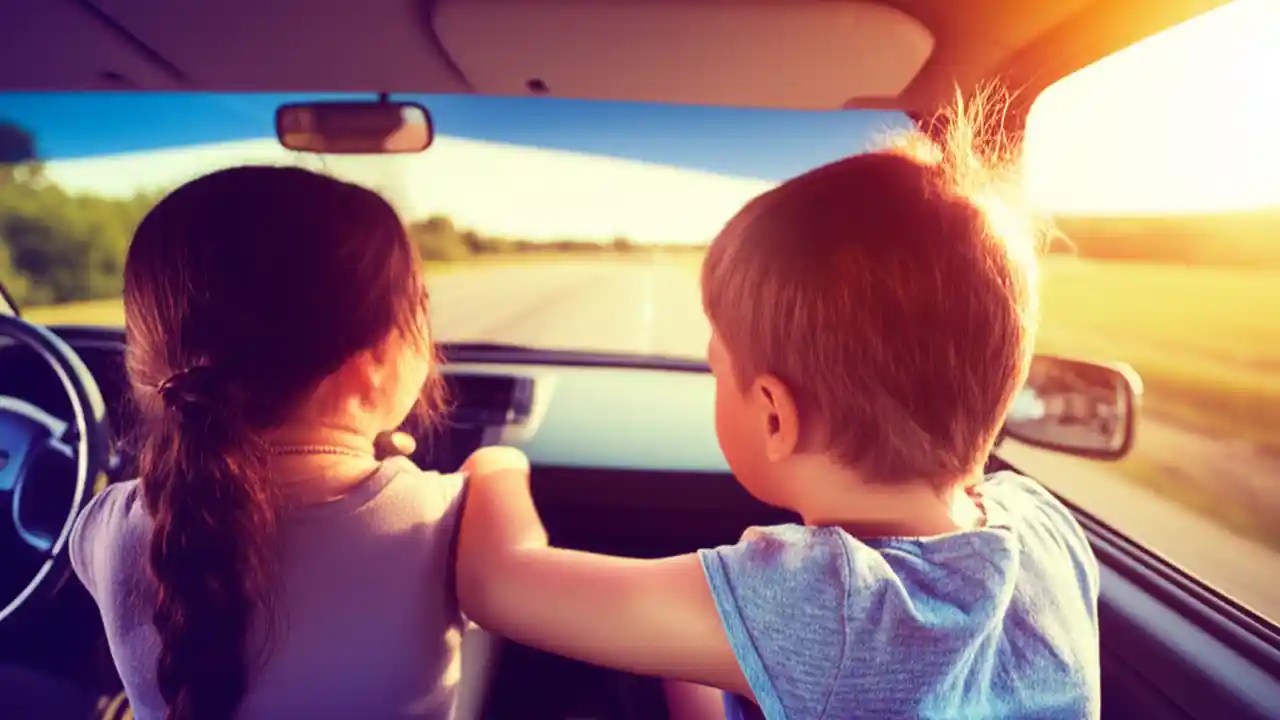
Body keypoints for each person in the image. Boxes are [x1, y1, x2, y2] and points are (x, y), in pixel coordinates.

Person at [455, 98, 1101, 719]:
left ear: (774, 417)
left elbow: (498, 581)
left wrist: (495, 463)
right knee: (685, 662)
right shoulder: (1047, 527)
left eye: (716, 367)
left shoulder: (823, 604)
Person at [69, 166, 463, 720]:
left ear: (148, 362)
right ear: (374, 357)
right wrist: (501, 473)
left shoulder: (103, 527)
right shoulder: (446, 520)